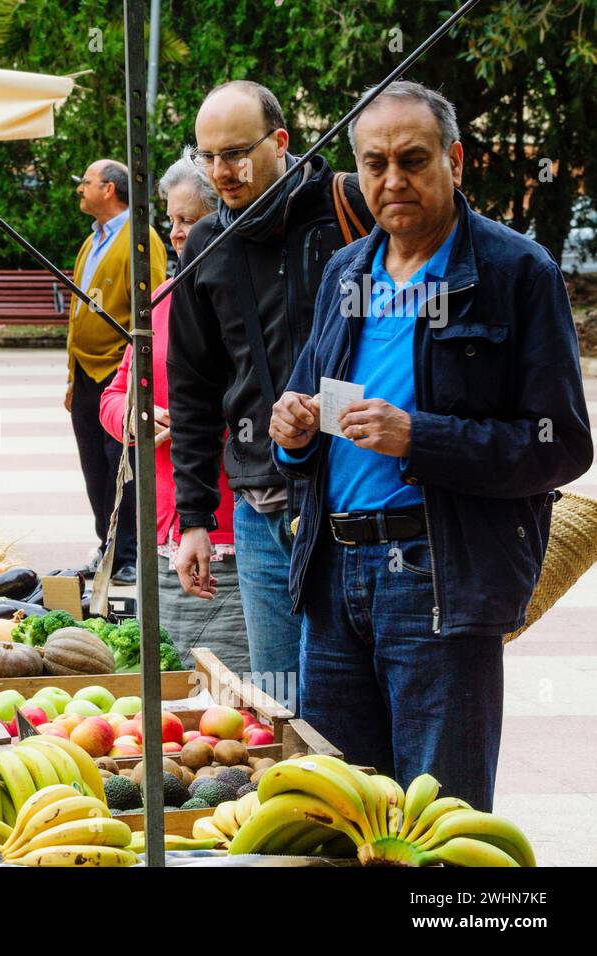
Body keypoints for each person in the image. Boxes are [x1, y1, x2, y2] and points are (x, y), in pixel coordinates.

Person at [270, 81, 593, 811]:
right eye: (374, 163)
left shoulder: (515, 273)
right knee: (336, 811)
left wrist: (422, 436)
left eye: (413, 160)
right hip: (333, 573)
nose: (393, 180)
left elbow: (560, 446)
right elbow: (305, 414)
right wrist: (291, 435)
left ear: (454, 160)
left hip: (438, 577)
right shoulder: (345, 272)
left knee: (438, 817)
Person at [167, 81, 374, 705]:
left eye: (236, 153)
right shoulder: (206, 244)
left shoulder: (352, 207)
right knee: (281, 699)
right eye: (208, 157)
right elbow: (194, 389)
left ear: (280, 142)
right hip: (262, 509)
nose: (220, 172)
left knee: (357, 698)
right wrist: (196, 520)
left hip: (352, 497)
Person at [99, 150, 248, 672]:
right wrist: (135, 417)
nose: (178, 233)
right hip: (162, 525)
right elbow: (113, 395)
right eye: (172, 220)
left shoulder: (245, 300)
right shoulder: (161, 298)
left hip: (227, 526)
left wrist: (203, 419)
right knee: (174, 681)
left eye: (190, 219)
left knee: (230, 682)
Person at [68, 159, 169, 586]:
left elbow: (156, 310)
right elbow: (77, 315)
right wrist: (72, 377)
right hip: (87, 376)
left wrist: (141, 381)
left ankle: (128, 553)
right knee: (95, 467)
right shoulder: (92, 242)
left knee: (122, 468)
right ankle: (107, 545)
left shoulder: (141, 239)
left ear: (109, 188)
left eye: (86, 183)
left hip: (119, 374)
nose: (79, 190)